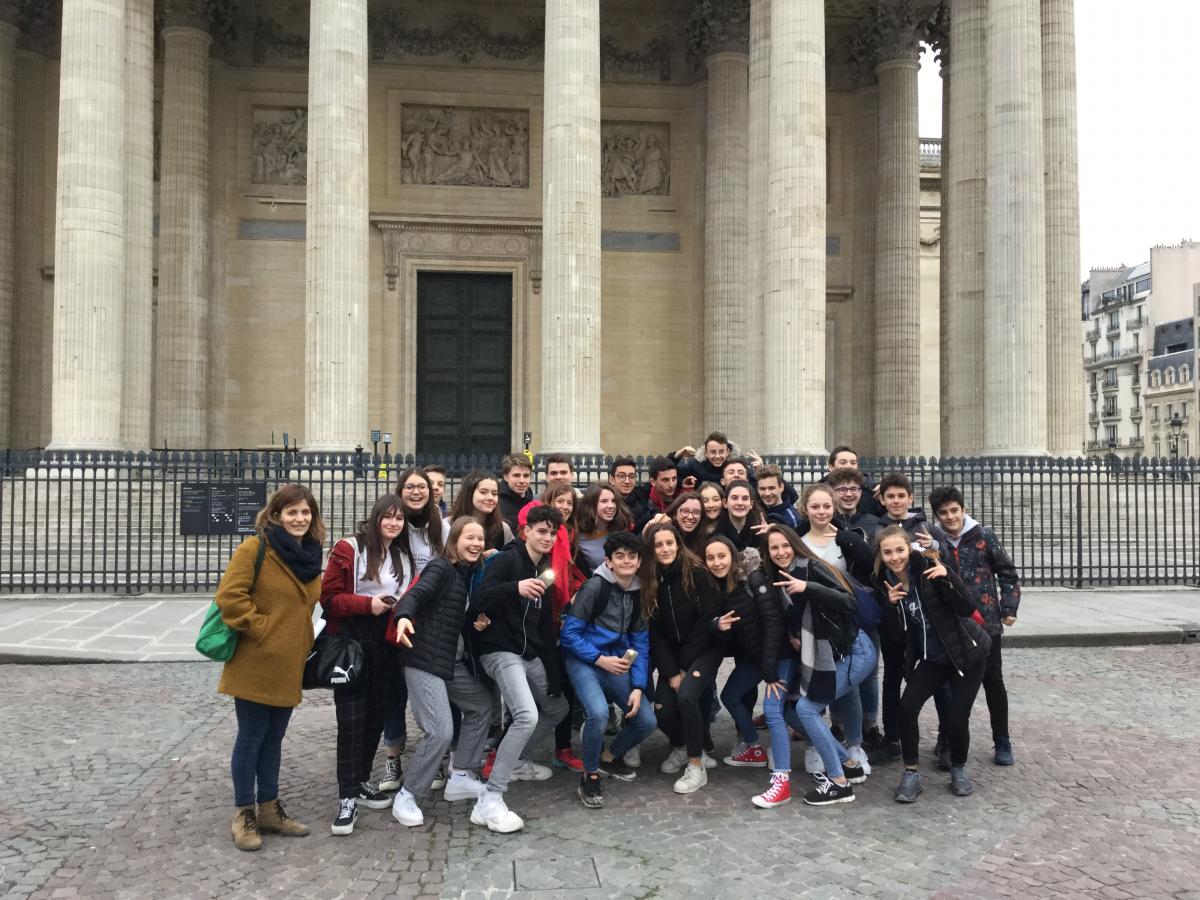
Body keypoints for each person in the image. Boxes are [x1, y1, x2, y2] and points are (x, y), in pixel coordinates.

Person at [214, 484, 325, 851]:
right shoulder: (255, 548)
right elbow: (230, 596)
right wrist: (262, 629)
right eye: (292, 512)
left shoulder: (309, 555)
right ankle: (243, 812)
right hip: (256, 659)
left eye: (305, 512)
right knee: (251, 737)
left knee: (274, 739)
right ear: (276, 515)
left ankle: (269, 809)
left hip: (289, 661)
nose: (299, 518)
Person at [388, 517, 498, 827]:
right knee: (440, 731)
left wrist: (473, 622)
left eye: (480, 539)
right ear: (454, 541)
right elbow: (416, 595)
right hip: (423, 660)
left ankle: (461, 774)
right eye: (469, 538)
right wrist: (404, 616)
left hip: (448, 660)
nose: (475, 543)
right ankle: (407, 795)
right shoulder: (441, 568)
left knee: (481, 705)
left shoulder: (464, 574)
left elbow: (448, 616)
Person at [468, 504, 570, 832]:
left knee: (558, 707)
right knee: (527, 714)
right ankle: (490, 798)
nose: (547, 538)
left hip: (529, 654)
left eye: (552, 533)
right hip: (499, 650)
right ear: (526, 531)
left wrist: (552, 675)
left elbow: (541, 628)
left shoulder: (544, 571)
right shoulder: (508, 559)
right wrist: (516, 587)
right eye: (541, 531)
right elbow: (479, 600)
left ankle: (516, 759)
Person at [319, 494, 416, 835]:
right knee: (350, 719)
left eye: (399, 519)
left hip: (385, 641)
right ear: (375, 518)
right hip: (351, 638)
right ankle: (346, 797)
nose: (393, 523)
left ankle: (360, 780)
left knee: (376, 713)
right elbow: (328, 598)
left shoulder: (402, 556)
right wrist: (367, 605)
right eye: (387, 517)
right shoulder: (349, 548)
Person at [873, 525, 991, 803]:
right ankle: (911, 771)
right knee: (907, 707)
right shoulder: (885, 581)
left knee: (955, 718)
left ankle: (959, 768)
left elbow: (967, 606)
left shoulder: (930, 569)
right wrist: (890, 605)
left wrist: (948, 576)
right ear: (881, 554)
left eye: (899, 550)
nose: (894, 557)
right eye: (887, 552)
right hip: (933, 657)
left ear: (909, 548)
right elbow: (895, 632)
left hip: (967, 653)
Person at [765, 524, 879, 806]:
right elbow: (796, 615)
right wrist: (794, 634)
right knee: (797, 711)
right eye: (774, 548)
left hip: (855, 650)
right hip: (828, 653)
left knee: (807, 709)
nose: (780, 552)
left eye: (784, 545)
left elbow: (849, 602)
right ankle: (850, 765)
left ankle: (839, 782)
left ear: (794, 544)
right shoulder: (779, 577)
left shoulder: (813, 567)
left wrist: (809, 587)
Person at [561, 530, 657, 808]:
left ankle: (608, 758)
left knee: (647, 720)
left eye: (632, 556)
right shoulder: (595, 587)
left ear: (639, 561)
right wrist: (599, 659)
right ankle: (590, 775)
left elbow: (640, 642)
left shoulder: (640, 591)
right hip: (585, 660)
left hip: (615, 662)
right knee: (599, 714)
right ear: (609, 561)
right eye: (620, 556)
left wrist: (639, 687)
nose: (626, 561)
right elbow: (569, 635)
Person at [929, 486, 1021, 767]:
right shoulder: (933, 540)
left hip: (986, 622)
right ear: (937, 515)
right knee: (946, 686)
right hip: (950, 623)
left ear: (963, 509)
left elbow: (1007, 572)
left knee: (993, 682)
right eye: (943, 513)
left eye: (954, 511)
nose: (950, 517)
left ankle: (1002, 740)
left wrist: (1009, 607)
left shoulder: (983, 535)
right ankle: (947, 739)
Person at [641, 523, 723, 792]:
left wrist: (685, 667)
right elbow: (655, 631)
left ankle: (696, 764)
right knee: (662, 710)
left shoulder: (697, 573)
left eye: (669, 543)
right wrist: (671, 671)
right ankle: (683, 744)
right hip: (672, 656)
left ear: (678, 544)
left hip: (704, 649)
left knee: (687, 696)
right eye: (658, 545)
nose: (665, 549)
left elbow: (706, 621)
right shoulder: (650, 579)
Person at [700, 535, 778, 772]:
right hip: (752, 656)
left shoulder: (752, 579)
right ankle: (753, 745)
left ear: (733, 557)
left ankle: (763, 749)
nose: (717, 563)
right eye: (710, 558)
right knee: (731, 696)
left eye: (721, 556)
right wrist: (716, 625)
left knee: (785, 710)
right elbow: (723, 629)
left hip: (770, 657)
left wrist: (769, 667)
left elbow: (773, 622)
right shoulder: (717, 586)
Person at [534, 488, 587, 773]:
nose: (565, 506)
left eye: (569, 503)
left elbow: (573, 574)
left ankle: (563, 748)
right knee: (541, 692)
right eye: (560, 501)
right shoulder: (542, 536)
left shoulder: (571, 536)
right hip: (539, 623)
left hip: (564, 620)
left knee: (564, 686)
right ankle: (513, 752)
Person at [574, 481, 634, 574]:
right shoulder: (576, 534)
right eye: (604, 501)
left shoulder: (624, 529)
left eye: (613, 501)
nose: (611, 506)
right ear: (591, 505)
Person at [450, 469, 514, 552]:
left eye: (494, 493)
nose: (490, 498)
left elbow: (511, 560)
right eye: (483, 492)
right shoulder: (449, 525)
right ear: (470, 494)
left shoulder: (503, 529)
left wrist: (498, 556)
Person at [823, 445, 885, 517]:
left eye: (853, 463)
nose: (849, 466)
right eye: (843, 463)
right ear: (831, 467)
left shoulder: (870, 489)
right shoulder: (822, 490)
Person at [827, 468, 881, 539]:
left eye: (853, 489)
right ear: (833, 493)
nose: (849, 494)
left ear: (860, 493)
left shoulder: (875, 523)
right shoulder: (827, 522)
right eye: (843, 490)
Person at [670, 431, 736, 488]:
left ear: (728, 452)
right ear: (706, 453)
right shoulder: (695, 465)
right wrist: (677, 455)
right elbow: (667, 472)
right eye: (713, 452)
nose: (717, 456)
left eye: (721, 452)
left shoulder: (735, 468)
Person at [632, 456, 680, 531]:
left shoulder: (682, 498)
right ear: (653, 482)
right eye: (665, 480)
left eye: (674, 478)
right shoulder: (644, 504)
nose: (671, 485)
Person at [719, 479, 767, 550]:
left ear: (751, 504)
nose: (740, 503)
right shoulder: (716, 532)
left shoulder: (761, 531)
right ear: (725, 503)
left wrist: (768, 537)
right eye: (734, 498)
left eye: (745, 498)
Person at [498, 453, 534, 532]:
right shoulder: (495, 501)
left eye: (526, 476)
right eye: (516, 475)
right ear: (506, 477)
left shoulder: (534, 502)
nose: (522, 481)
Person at [755, 464, 800, 528]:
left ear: (781, 487)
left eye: (771, 488)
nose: (767, 493)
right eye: (763, 489)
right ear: (758, 490)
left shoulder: (790, 519)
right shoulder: (757, 510)